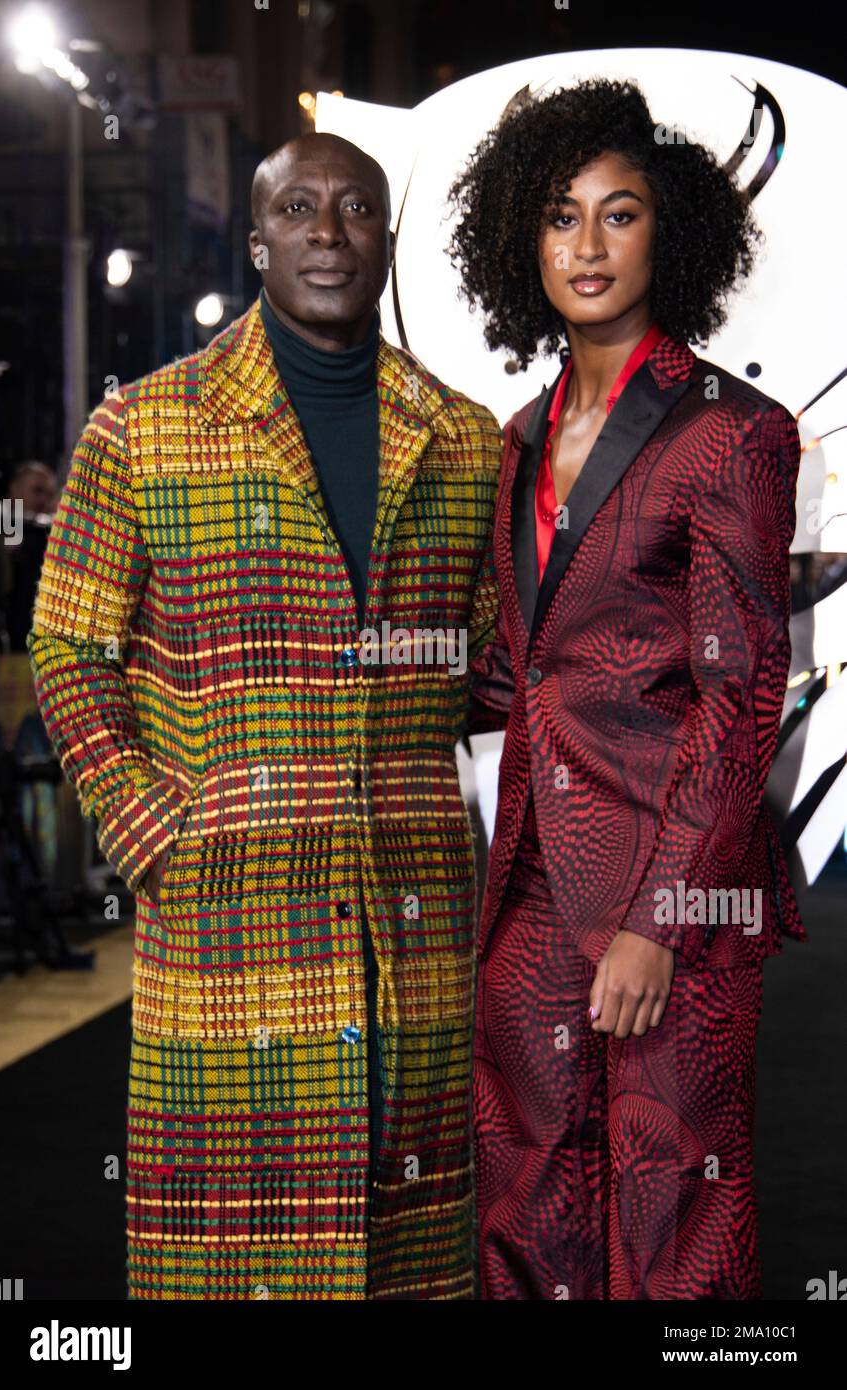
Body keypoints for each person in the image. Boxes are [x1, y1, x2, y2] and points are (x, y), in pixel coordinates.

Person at [27, 131, 503, 1300]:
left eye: (353, 210)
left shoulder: (465, 437)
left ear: (386, 242)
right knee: (229, 1264)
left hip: (412, 930)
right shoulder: (143, 426)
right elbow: (70, 646)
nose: (327, 233)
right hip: (228, 928)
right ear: (256, 241)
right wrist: (155, 836)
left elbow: (494, 661)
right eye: (299, 208)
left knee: (407, 1259)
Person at [448, 77, 806, 1299]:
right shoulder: (516, 437)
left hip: (678, 885)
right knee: (527, 1196)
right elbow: (517, 667)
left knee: (673, 1216)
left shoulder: (732, 430)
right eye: (560, 216)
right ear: (521, 240)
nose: (587, 246)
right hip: (536, 877)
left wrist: (659, 918)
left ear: (674, 233)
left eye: (620, 214)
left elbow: (742, 690)